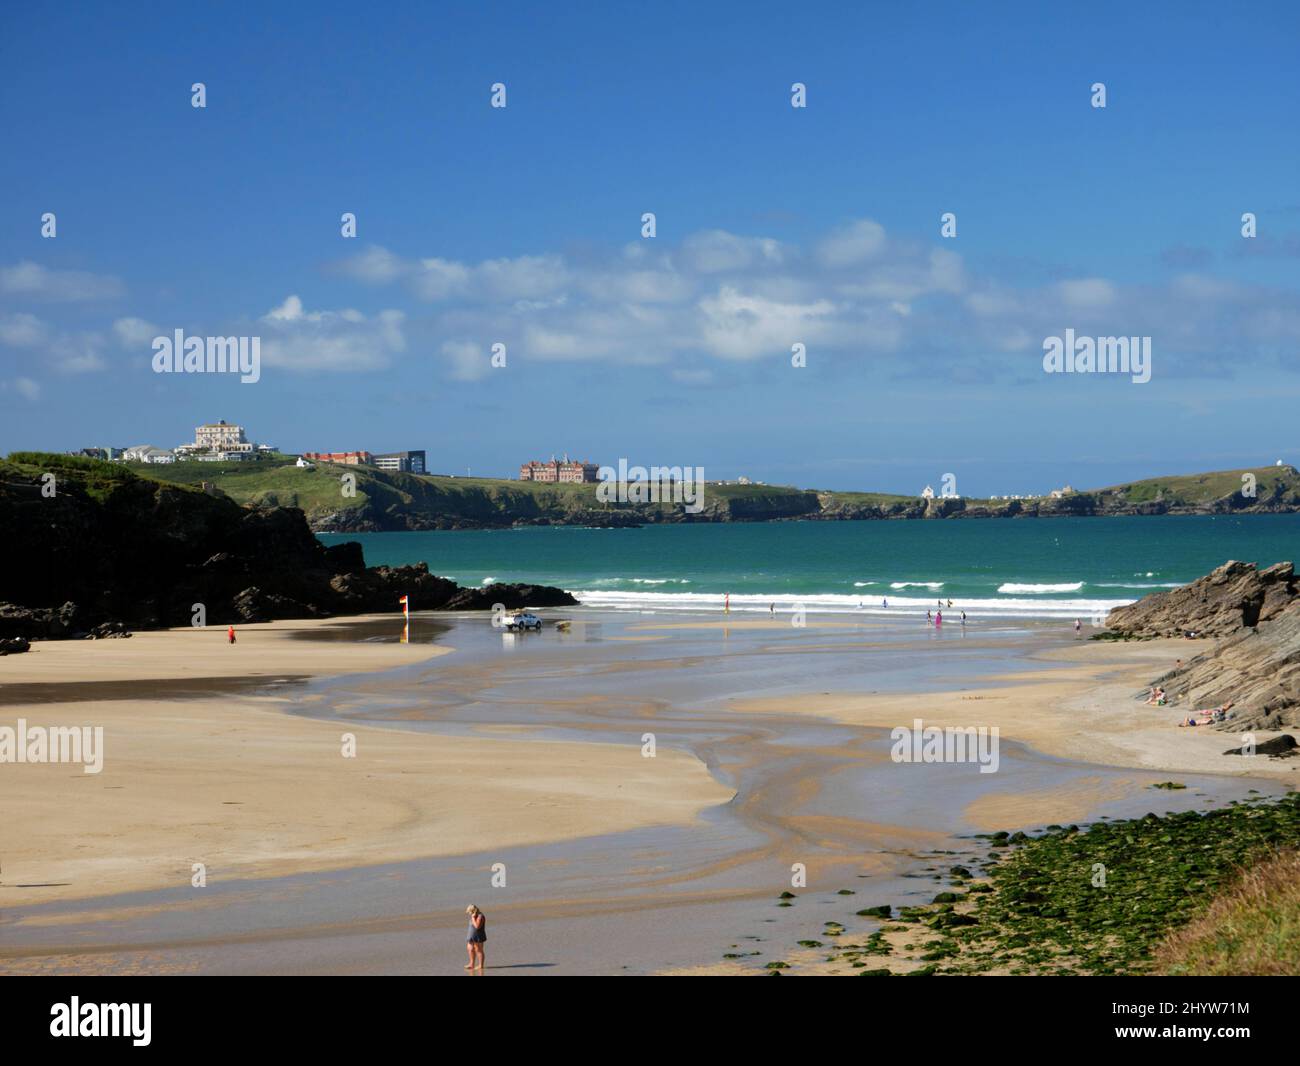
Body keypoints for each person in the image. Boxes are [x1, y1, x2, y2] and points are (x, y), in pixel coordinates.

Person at [465, 905, 486, 971]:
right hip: (471, 936)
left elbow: (477, 926)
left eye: (469, 912)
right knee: (469, 948)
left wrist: (473, 918)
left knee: (478, 950)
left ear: (473, 911)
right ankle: (471, 964)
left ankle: (480, 965)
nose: (469, 913)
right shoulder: (474, 916)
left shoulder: (480, 916)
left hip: (478, 936)